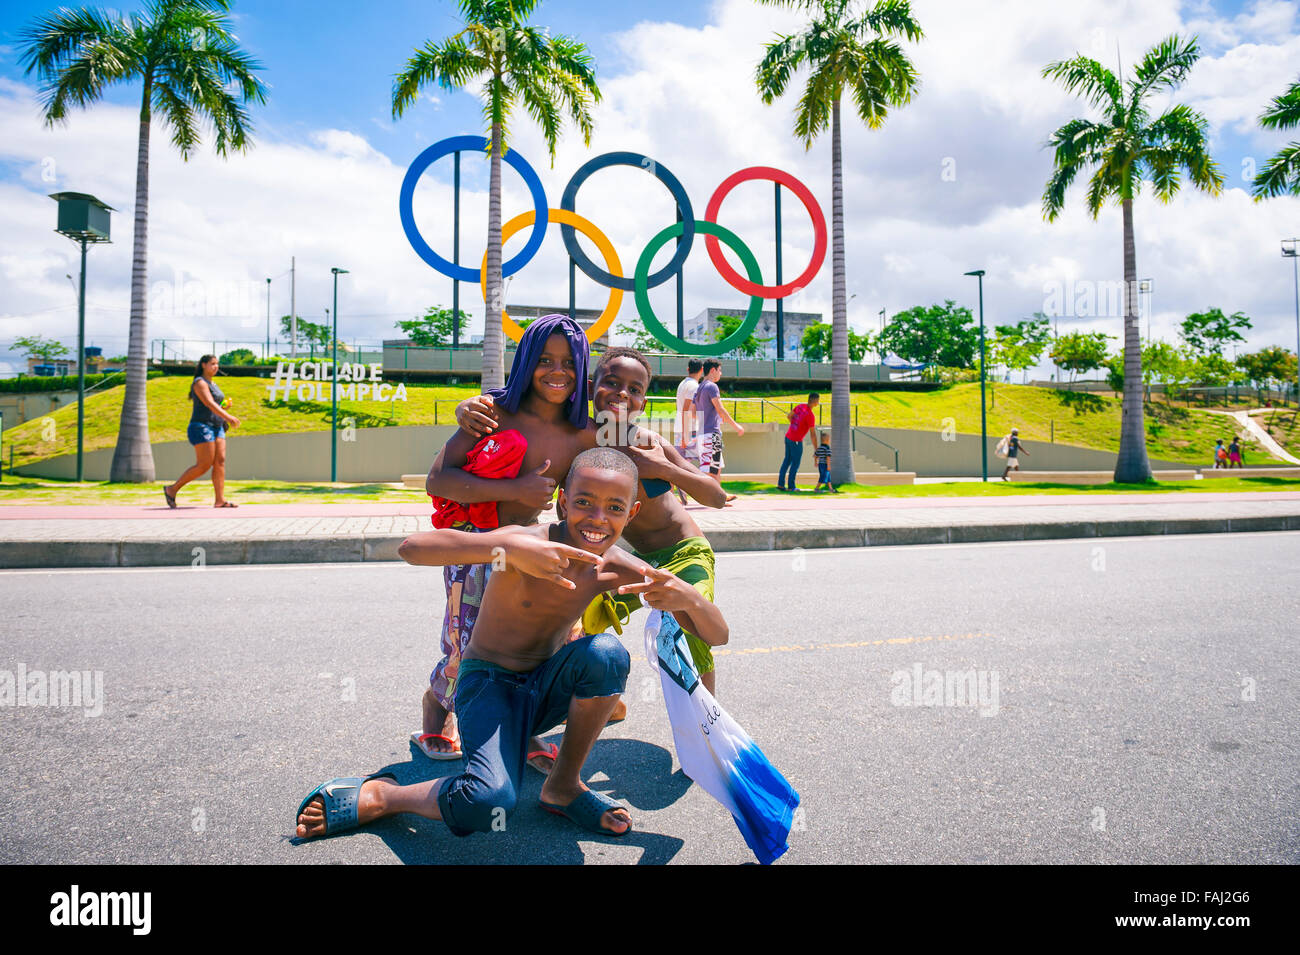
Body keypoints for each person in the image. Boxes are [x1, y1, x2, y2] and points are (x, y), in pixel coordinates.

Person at [293, 448, 728, 841]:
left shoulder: (617, 568)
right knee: (488, 803)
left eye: (613, 508)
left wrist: (688, 596)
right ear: (562, 501)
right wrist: (506, 546)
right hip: (490, 688)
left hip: (545, 690)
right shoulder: (525, 543)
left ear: (631, 513)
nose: (597, 518)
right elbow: (413, 548)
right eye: (583, 502)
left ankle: (563, 785)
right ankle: (385, 795)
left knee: (607, 654)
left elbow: (716, 635)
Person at [456, 347, 730, 694]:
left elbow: (716, 497)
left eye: (634, 389)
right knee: (573, 619)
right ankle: (599, 696)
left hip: (683, 553)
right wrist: (466, 407)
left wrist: (661, 468)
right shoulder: (575, 444)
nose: (622, 394)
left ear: (643, 401)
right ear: (589, 388)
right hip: (625, 559)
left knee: (690, 624)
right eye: (612, 383)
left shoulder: (649, 443)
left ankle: (709, 725)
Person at [417, 315, 598, 772]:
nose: (557, 372)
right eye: (544, 360)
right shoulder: (493, 414)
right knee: (470, 639)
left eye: (568, 362)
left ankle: (525, 726)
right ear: (524, 364)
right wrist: (514, 490)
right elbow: (438, 479)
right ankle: (436, 713)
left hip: (533, 548)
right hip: (478, 545)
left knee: (535, 641)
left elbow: (629, 447)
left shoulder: (583, 432)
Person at [163, 354, 241, 508]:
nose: (216, 367)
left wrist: (224, 406)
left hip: (217, 426)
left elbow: (215, 405)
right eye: (212, 364)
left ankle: (220, 500)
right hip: (201, 426)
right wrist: (229, 417)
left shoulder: (214, 384)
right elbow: (209, 403)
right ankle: (172, 489)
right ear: (203, 365)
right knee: (204, 464)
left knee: (220, 462)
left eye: (217, 364)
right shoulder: (199, 382)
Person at [694, 359, 744, 500]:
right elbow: (720, 408)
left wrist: (710, 416)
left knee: (712, 468)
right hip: (712, 434)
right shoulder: (711, 387)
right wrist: (736, 426)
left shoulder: (699, 388)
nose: (720, 374)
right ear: (713, 370)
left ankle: (719, 496)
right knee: (713, 469)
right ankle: (716, 499)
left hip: (703, 434)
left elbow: (693, 412)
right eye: (720, 370)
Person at [674, 359, 703, 504]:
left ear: (688, 369)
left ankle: (678, 494)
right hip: (689, 429)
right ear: (702, 370)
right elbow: (686, 410)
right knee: (708, 461)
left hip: (681, 428)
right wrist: (686, 436)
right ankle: (715, 493)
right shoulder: (693, 386)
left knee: (679, 464)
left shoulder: (683, 384)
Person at [778, 392, 819, 492]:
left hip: (788, 437)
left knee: (787, 461)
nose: (818, 402)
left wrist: (795, 426)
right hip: (796, 441)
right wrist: (816, 449)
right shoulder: (810, 415)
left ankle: (781, 484)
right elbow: (813, 434)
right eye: (818, 401)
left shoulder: (800, 406)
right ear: (815, 402)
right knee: (795, 463)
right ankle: (791, 486)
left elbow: (789, 416)